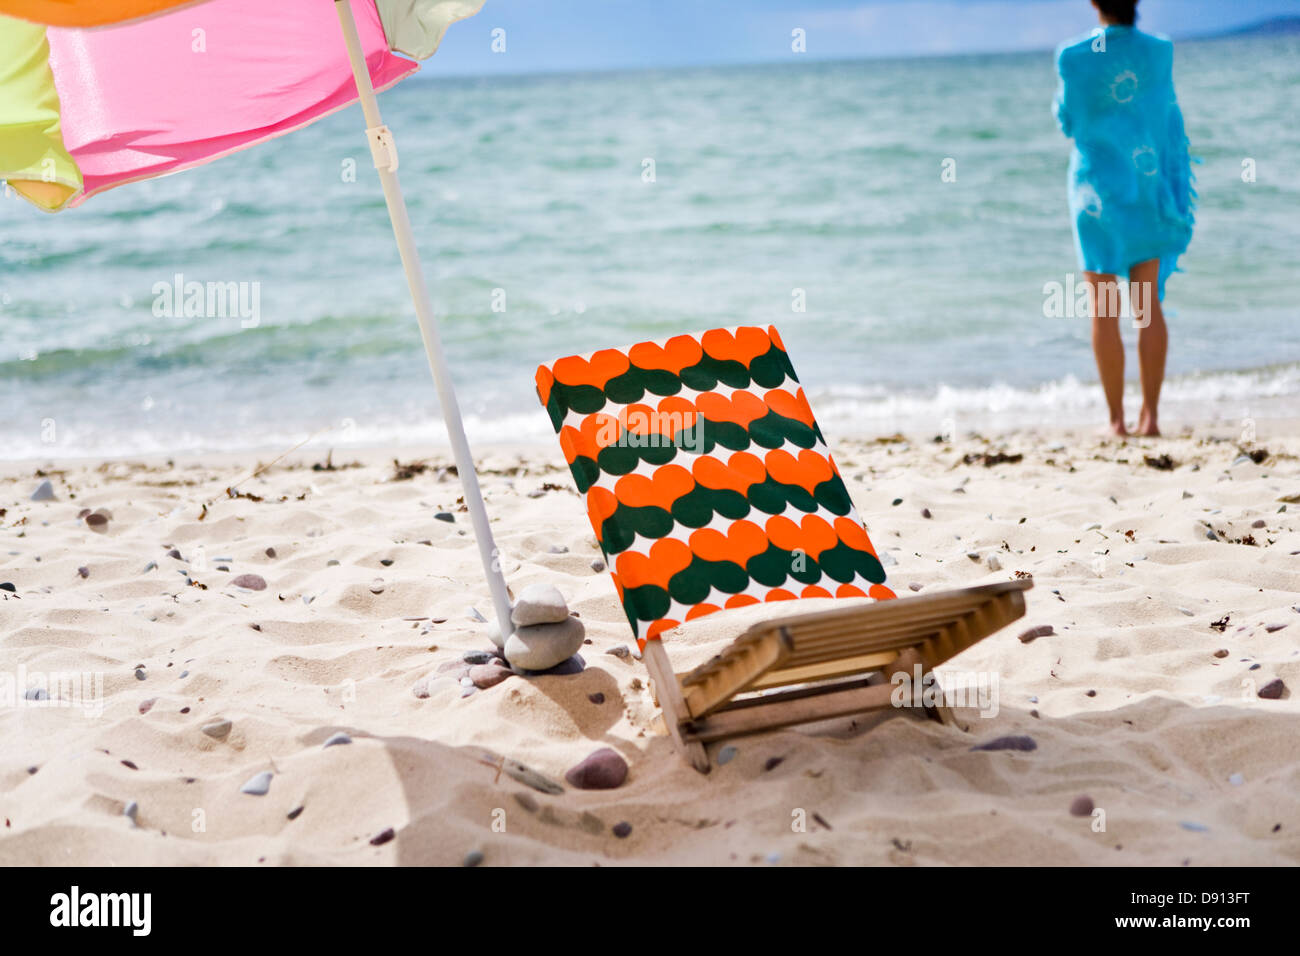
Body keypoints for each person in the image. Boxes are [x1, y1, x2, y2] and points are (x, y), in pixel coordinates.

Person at [1054, 0, 1195, 437]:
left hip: (1095, 193)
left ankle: (1116, 422)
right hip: (1146, 186)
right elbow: (1166, 118)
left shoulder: (1074, 56)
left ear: (1094, 3)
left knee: (1103, 310)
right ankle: (1150, 418)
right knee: (1148, 306)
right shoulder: (1159, 51)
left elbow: (1069, 122)